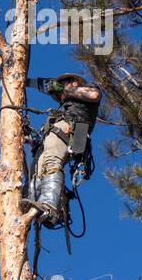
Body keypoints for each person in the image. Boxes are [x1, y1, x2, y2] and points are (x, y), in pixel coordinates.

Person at [25, 73, 102, 226]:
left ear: (74, 83)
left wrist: (66, 90)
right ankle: (26, 209)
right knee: (35, 171)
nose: (60, 90)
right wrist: (30, 140)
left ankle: (49, 206)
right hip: (56, 135)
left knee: (51, 161)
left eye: (64, 83)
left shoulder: (88, 91)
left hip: (72, 131)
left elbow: (95, 95)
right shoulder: (62, 109)